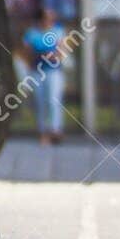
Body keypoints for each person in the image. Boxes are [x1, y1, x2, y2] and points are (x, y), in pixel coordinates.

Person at [23, 8, 69, 145]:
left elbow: (62, 50)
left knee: (54, 100)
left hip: (54, 71)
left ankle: (56, 130)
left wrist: (55, 56)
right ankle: (43, 131)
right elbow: (27, 51)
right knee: (41, 102)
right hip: (37, 71)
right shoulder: (32, 33)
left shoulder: (58, 31)